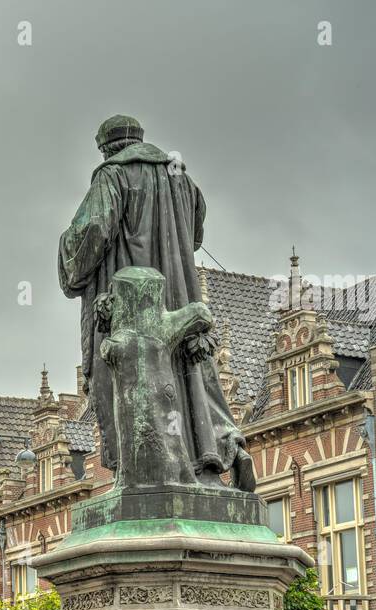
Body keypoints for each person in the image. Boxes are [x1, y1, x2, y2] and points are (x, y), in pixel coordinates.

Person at [58, 114, 254, 491]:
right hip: (180, 291)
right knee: (192, 372)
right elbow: (196, 232)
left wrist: (66, 250)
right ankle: (219, 454)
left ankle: (138, 478)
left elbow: (92, 230)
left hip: (133, 303)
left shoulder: (111, 176)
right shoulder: (181, 177)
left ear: (106, 147)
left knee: (128, 381)